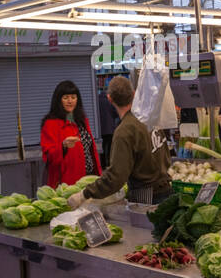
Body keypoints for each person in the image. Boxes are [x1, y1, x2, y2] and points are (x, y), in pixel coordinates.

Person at [68, 75, 170, 207]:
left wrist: (84, 194)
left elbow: (116, 176)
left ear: (109, 99)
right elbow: (166, 155)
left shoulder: (124, 131)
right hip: (166, 190)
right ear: (133, 94)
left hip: (147, 199)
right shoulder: (148, 117)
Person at [39, 81, 102, 187]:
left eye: (73, 97)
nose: (70, 101)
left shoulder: (82, 120)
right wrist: (63, 146)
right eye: (66, 97)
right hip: (67, 183)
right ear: (59, 100)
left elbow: (91, 151)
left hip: (89, 178)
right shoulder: (50, 124)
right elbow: (49, 157)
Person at [97, 85, 120, 164]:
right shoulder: (110, 101)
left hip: (100, 129)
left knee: (102, 147)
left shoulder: (97, 101)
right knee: (110, 147)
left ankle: (102, 163)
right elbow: (116, 113)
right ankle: (109, 163)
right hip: (110, 129)